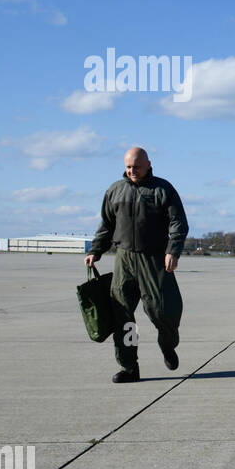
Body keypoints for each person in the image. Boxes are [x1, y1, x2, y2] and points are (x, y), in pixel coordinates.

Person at [84, 147, 188, 383]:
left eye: (136, 167)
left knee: (163, 310)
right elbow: (106, 225)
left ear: (148, 164)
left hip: (154, 259)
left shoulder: (162, 189)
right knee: (123, 316)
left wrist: (173, 251)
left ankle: (168, 345)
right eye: (128, 167)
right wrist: (96, 250)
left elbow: (178, 223)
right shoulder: (115, 190)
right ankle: (130, 367)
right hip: (125, 259)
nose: (132, 171)